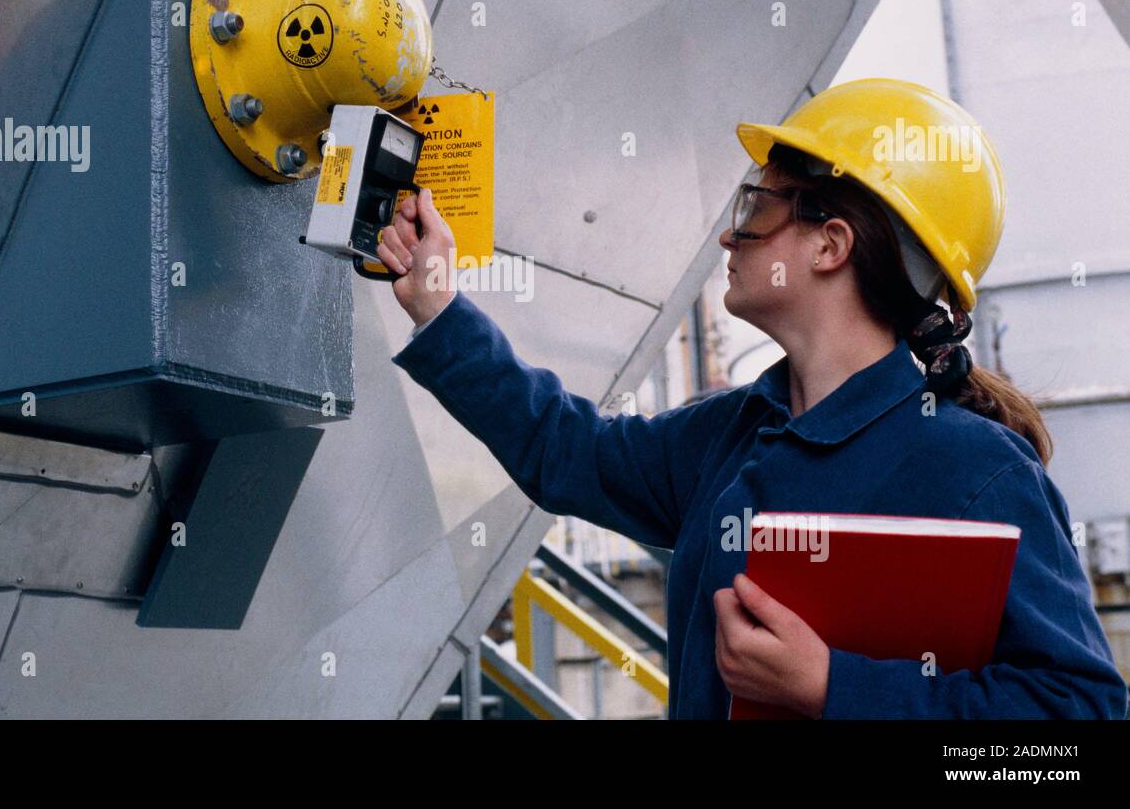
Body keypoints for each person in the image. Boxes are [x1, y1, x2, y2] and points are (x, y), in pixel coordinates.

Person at [377, 78, 1128, 719]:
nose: (729, 241)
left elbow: (1076, 720)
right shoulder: (730, 434)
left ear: (831, 244)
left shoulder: (977, 472)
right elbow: (566, 449)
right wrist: (440, 310)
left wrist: (833, 685)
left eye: (756, 210)